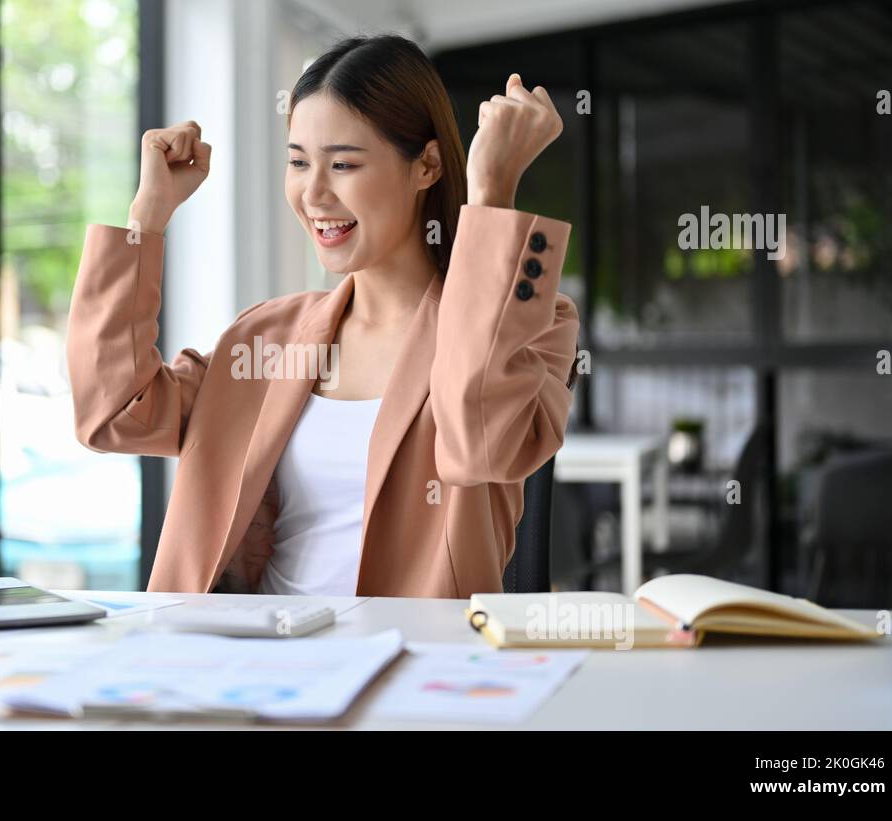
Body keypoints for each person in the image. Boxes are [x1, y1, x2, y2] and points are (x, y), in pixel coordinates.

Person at [67, 34, 579, 597]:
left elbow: (483, 446)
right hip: (241, 663)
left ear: (426, 165)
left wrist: (491, 192)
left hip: (414, 667)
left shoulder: (530, 325)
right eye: (298, 162)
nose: (314, 193)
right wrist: (148, 216)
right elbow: (114, 415)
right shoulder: (266, 336)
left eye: (342, 164)